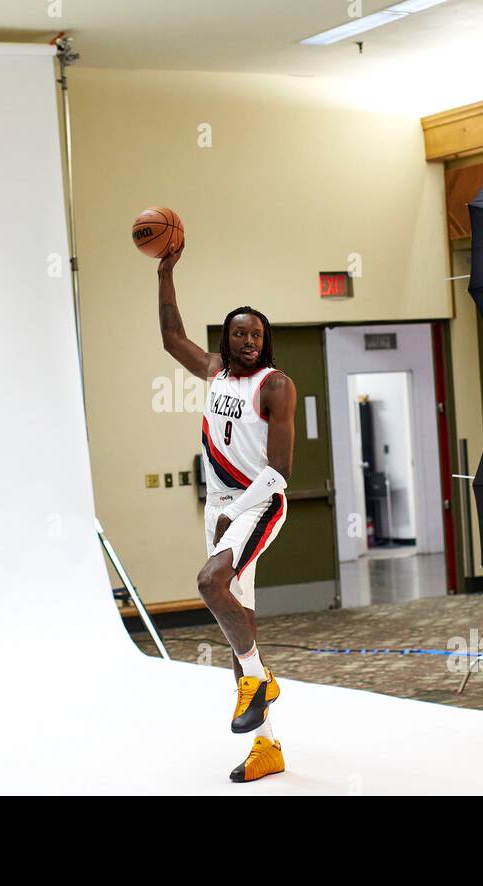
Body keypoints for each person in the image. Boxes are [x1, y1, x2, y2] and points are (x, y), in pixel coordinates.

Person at [156, 240, 297, 783]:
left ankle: (259, 679)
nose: (248, 340)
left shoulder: (275, 385)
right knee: (238, 622)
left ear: (266, 342)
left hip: (261, 501)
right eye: (240, 332)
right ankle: (267, 745)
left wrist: (240, 510)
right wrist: (165, 274)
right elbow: (171, 337)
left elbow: (280, 469)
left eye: (257, 334)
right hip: (220, 509)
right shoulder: (214, 372)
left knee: (210, 583)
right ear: (228, 338)